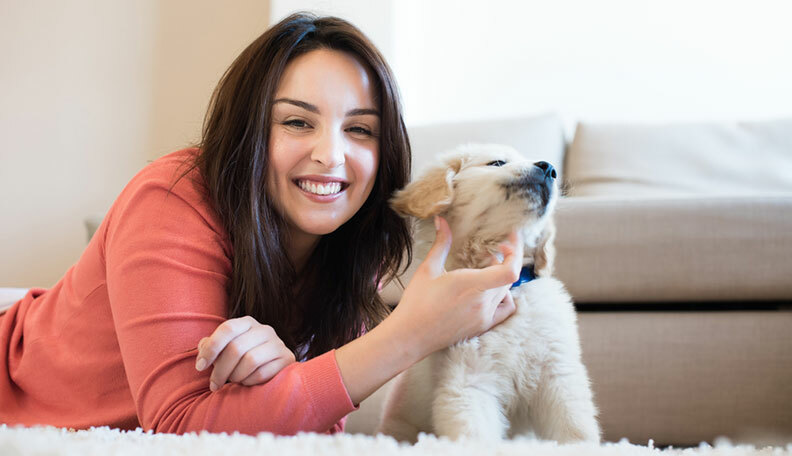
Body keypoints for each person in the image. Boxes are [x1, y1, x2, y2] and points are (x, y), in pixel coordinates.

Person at [0, 13, 522, 436]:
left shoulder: (355, 237)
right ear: (250, 130)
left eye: (360, 129)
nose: (331, 156)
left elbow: (309, 422)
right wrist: (411, 333)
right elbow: (182, 426)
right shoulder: (172, 194)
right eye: (297, 121)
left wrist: (290, 375)